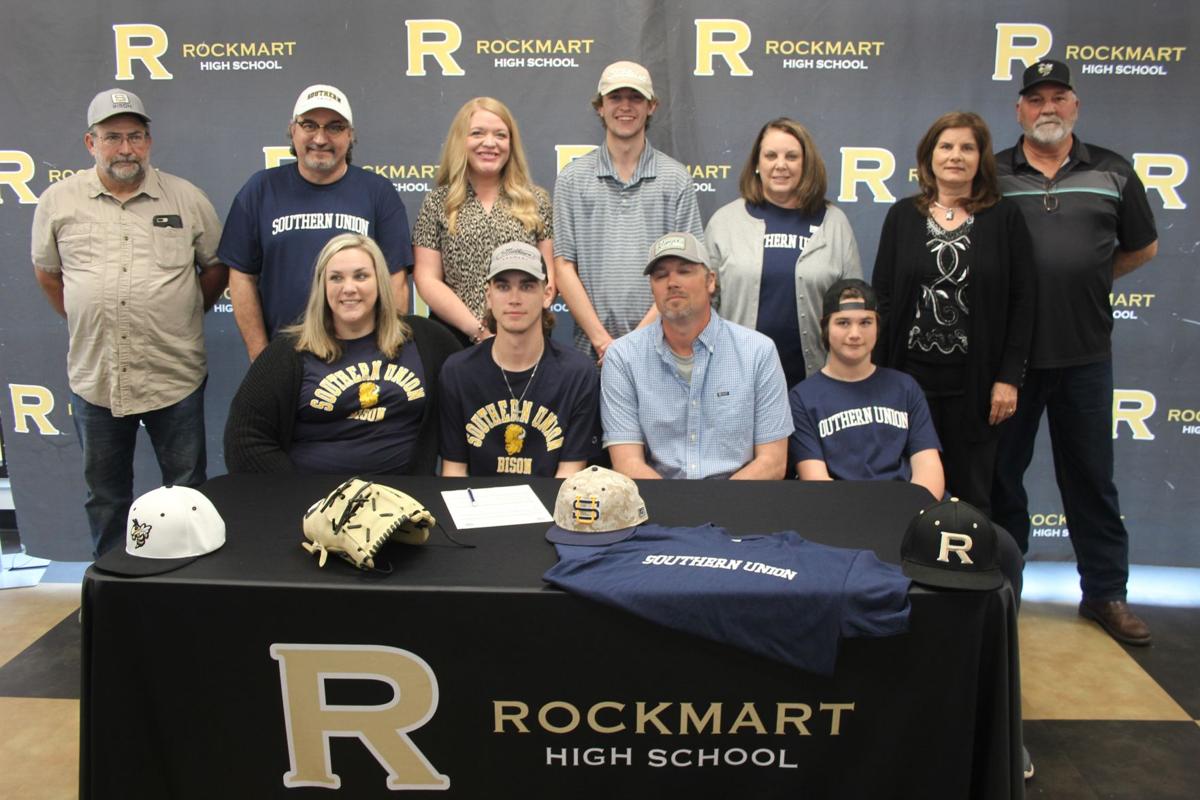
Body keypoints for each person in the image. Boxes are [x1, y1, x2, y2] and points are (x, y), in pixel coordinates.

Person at [991, 60, 1158, 646]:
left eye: (1058, 98)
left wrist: (1086, 276)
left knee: (1091, 479)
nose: (1048, 109)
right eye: (1036, 100)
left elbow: (1143, 247)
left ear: (1075, 106)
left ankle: (1106, 594)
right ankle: (1001, 589)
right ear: (1019, 110)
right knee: (1001, 480)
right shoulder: (993, 174)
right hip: (1010, 362)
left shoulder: (1113, 170)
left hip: (1085, 355)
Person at [31, 89, 228, 557]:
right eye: (112, 137)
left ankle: (189, 583)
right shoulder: (58, 202)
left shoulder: (187, 199)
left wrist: (180, 313)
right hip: (97, 378)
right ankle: (111, 584)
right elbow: (48, 274)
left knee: (187, 493)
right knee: (106, 497)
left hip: (173, 376)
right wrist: (86, 314)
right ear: (90, 143)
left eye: (135, 137)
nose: (125, 149)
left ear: (148, 141)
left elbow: (215, 269)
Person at [872, 111, 1035, 513]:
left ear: (981, 158)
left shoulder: (1004, 218)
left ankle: (970, 557)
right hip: (909, 380)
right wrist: (880, 378)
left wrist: (1008, 378)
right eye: (945, 146)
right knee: (906, 492)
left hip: (976, 385)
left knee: (972, 497)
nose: (955, 156)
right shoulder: (902, 216)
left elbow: (1023, 302)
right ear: (929, 156)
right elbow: (884, 299)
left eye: (967, 147)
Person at [223, 233, 459, 475]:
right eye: (336, 278)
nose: (349, 288)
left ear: (380, 282)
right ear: (322, 287)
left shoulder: (426, 339)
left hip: (407, 492)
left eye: (361, 276)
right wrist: (296, 491)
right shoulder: (289, 351)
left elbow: (470, 398)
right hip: (315, 496)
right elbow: (245, 439)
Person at [219, 84, 413, 360]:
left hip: (360, 359)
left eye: (334, 127)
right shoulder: (260, 190)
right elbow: (241, 277)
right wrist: (261, 357)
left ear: (350, 135)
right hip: (285, 357)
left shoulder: (378, 192)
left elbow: (395, 280)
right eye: (309, 125)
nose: (320, 139)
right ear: (293, 130)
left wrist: (385, 355)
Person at [601, 233, 792, 480]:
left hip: (740, 499)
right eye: (660, 275)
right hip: (655, 500)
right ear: (652, 288)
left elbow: (773, 462)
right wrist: (674, 504)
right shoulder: (623, 356)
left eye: (684, 271)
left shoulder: (758, 351)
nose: (672, 282)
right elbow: (627, 463)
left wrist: (718, 501)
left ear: (710, 281)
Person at [554, 60, 704, 363]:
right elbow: (564, 266)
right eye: (615, 97)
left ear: (651, 106)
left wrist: (634, 344)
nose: (625, 106)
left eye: (636, 97)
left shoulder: (676, 179)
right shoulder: (572, 179)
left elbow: (688, 269)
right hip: (592, 352)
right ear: (600, 106)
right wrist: (603, 342)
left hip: (662, 350)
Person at [706, 118, 862, 388]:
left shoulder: (834, 223)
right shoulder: (725, 222)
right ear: (757, 164)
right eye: (771, 156)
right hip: (737, 381)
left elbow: (853, 306)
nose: (781, 165)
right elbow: (704, 304)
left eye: (791, 156)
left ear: (806, 164)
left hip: (815, 383)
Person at [438, 242, 599, 477]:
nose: (514, 298)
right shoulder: (457, 371)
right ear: (489, 296)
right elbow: (454, 471)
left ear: (547, 294)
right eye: (503, 287)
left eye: (527, 286)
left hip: (550, 499)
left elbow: (569, 475)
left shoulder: (577, 373)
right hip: (476, 500)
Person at [412, 97, 554, 347]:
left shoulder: (536, 200)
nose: (490, 143)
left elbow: (548, 275)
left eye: (500, 135)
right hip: (454, 339)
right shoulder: (438, 202)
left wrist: (517, 326)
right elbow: (426, 278)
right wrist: (478, 331)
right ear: (460, 141)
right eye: (477, 133)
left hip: (524, 338)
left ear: (511, 143)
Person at [790, 280, 944, 500]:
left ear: (877, 326)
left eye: (865, 322)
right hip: (842, 511)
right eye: (843, 323)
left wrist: (912, 512)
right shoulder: (802, 398)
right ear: (825, 326)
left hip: (907, 509)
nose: (855, 334)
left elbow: (928, 469)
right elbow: (817, 484)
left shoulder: (905, 387)